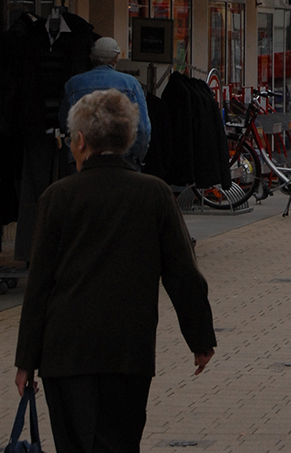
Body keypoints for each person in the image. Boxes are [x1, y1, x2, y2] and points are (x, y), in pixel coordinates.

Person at [14, 88, 215, 453]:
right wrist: (200, 338)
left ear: (80, 141)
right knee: (120, 442)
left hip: (65, 352)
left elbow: (39, 284)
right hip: (128, 350)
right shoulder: (154, 194)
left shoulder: (57, 197)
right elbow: (183, 273)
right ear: (127, 140)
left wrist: (26, 359)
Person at [60, 37, 151, 169]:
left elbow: (65, 123)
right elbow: (143, 129)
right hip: (122, 160)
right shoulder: (131, 84)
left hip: (83, 159)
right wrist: (137, 157)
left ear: (92, 57)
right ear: (116, 57)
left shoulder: (73, 84)